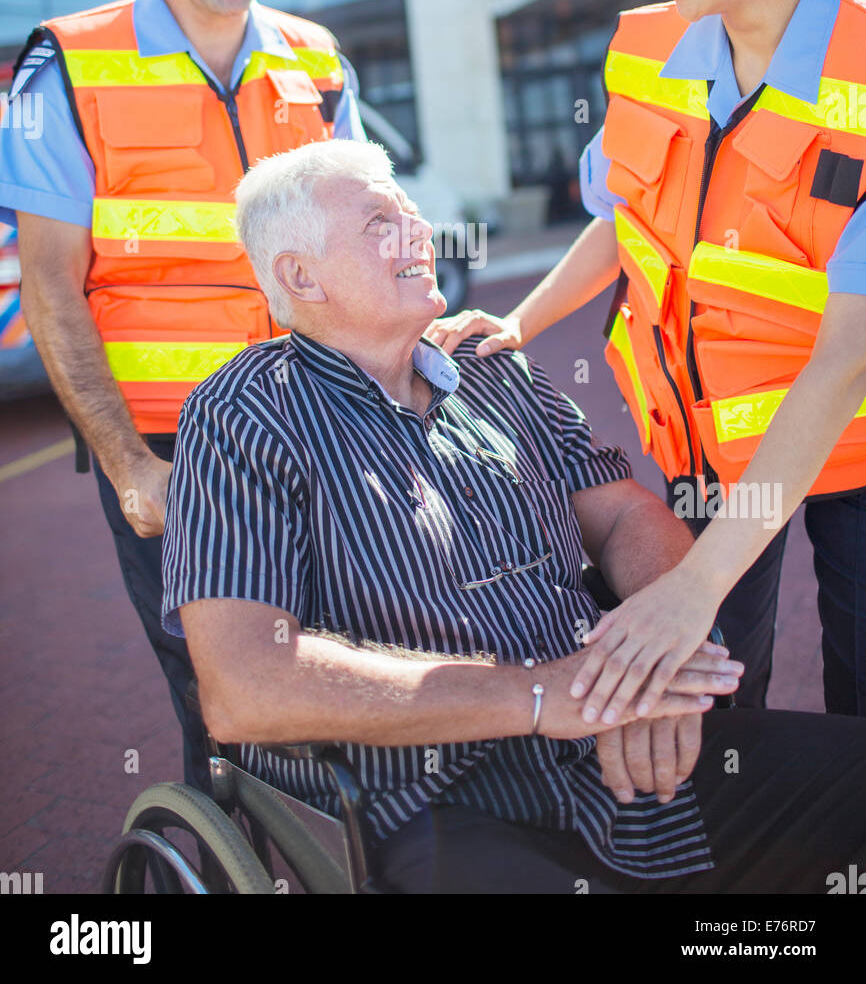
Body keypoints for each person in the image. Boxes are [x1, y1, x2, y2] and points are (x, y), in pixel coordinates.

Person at [161, 139, 866, 895]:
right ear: (300, 276)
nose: (420, 232)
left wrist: (656, 656)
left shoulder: (494, 368)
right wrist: (540, 696)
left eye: (413, 213)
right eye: (377, 223)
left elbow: (626, 516)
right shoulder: (243, 413)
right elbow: (244, 686)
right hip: (433, 805)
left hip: (617, 754)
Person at [429, 0, 866, 720]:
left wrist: (693, 583)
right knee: (710, 709)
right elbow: (622, 215)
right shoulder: (644, 53)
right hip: (703, 449)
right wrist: (520, 323)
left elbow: (844, 361)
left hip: (849, 437)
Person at [0, 0, 365, 792]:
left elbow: (358, 245)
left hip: (318, 428)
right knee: (223, 700)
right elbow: (50, 286)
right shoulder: (66, 65)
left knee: (350, 671)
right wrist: (126, 467)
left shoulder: (317, 64)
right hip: (171, 454)